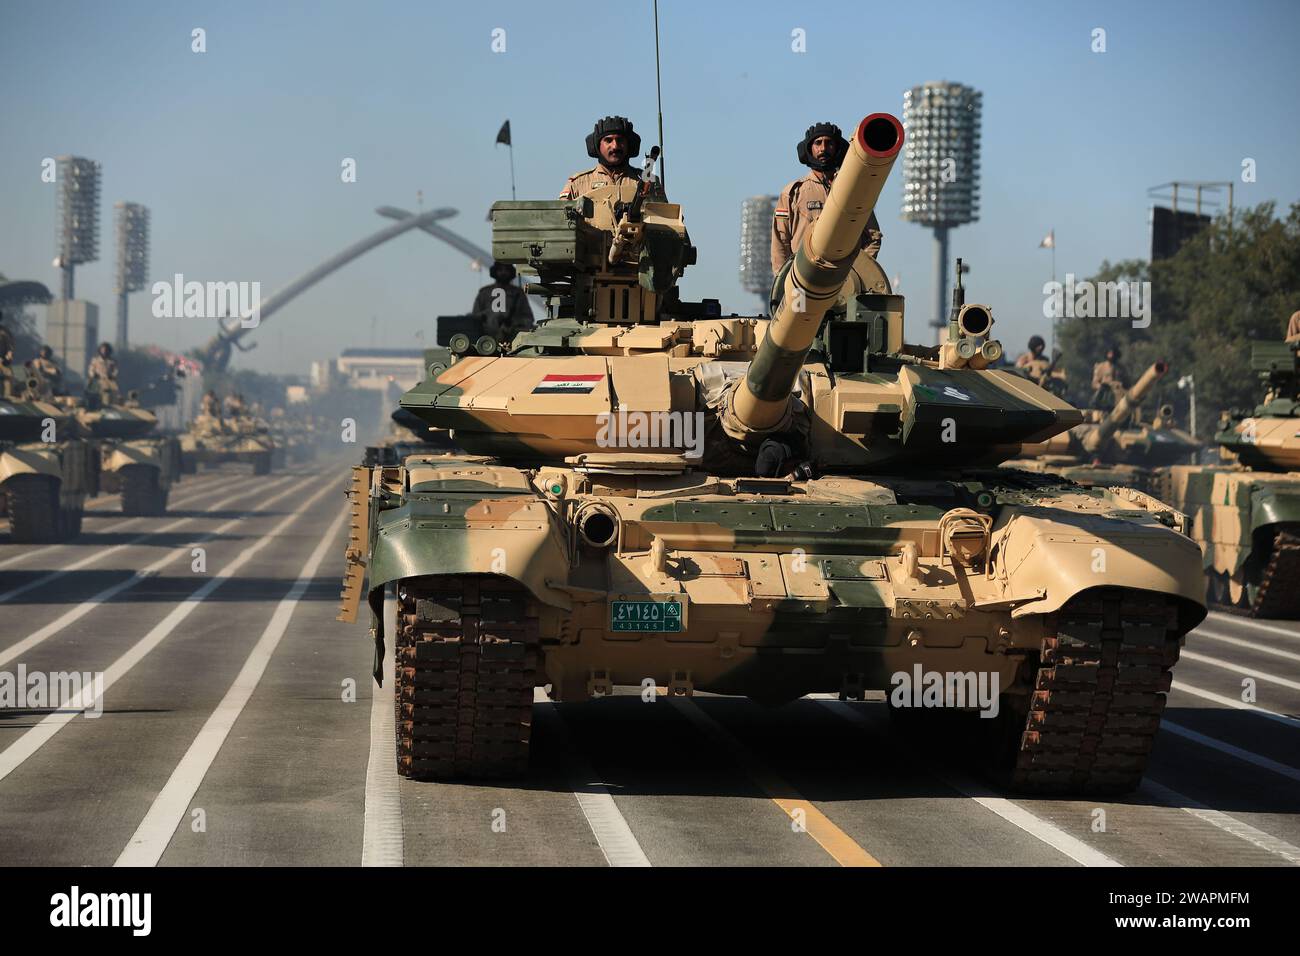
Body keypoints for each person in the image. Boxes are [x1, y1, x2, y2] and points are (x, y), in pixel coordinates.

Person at [771, 122, 883, 275]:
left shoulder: (852, 191)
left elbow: (873, 237)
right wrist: (784, 281)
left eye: (829, 143)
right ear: (809, 148)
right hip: (803, 282)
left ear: (837, 148)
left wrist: (855, 274)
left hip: (845, 283)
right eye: (818, 143)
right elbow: (780, 242)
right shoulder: (793, 193)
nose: (823, 148)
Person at [559, 116, 665, 201]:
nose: (615, 146)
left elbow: (666, 220)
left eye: (620, 140)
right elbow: (559, 221)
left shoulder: (648, 182)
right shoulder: (578, 184)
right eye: (608, 140)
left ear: (629, 145)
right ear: (597, 146)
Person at [471, 262, 534, 341]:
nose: (503, 272)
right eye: (500, 270)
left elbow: (528, 318)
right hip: (486, 339)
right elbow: (474, 318)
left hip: (513, 338)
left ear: (510, 272)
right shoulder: (484, 293)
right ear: (495, 271)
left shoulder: (518, 293)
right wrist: (489, 316)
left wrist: (513, 324)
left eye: (506, 270)